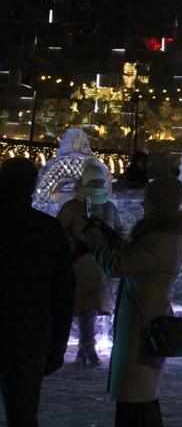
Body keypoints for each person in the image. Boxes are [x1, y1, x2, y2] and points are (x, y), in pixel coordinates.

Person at [82, 175, 182, 427]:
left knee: (136, 400)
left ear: (158, 203)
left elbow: (116, 266)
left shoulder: (158, 239)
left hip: (140, 330)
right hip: (149, 322)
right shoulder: (170, 235)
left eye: (147, 200)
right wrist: (116, 242)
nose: (143, 205)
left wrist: (93, 239)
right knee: (142, 398)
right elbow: (135, 259)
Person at [0, 156, 75, 427]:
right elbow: (64, 294)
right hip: (31, 337)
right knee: (23, 416)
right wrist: (57, 346)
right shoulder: (49, 229)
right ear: (32, 188)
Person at [56, 160, 123, 368]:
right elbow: (119, 232)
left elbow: (58, 235)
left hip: (84, 265)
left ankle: (82, 347)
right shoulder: (107, 207)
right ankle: (86, 347)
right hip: (97, 265)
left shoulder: (72, 206)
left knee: (83, 307)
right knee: (88, 308)